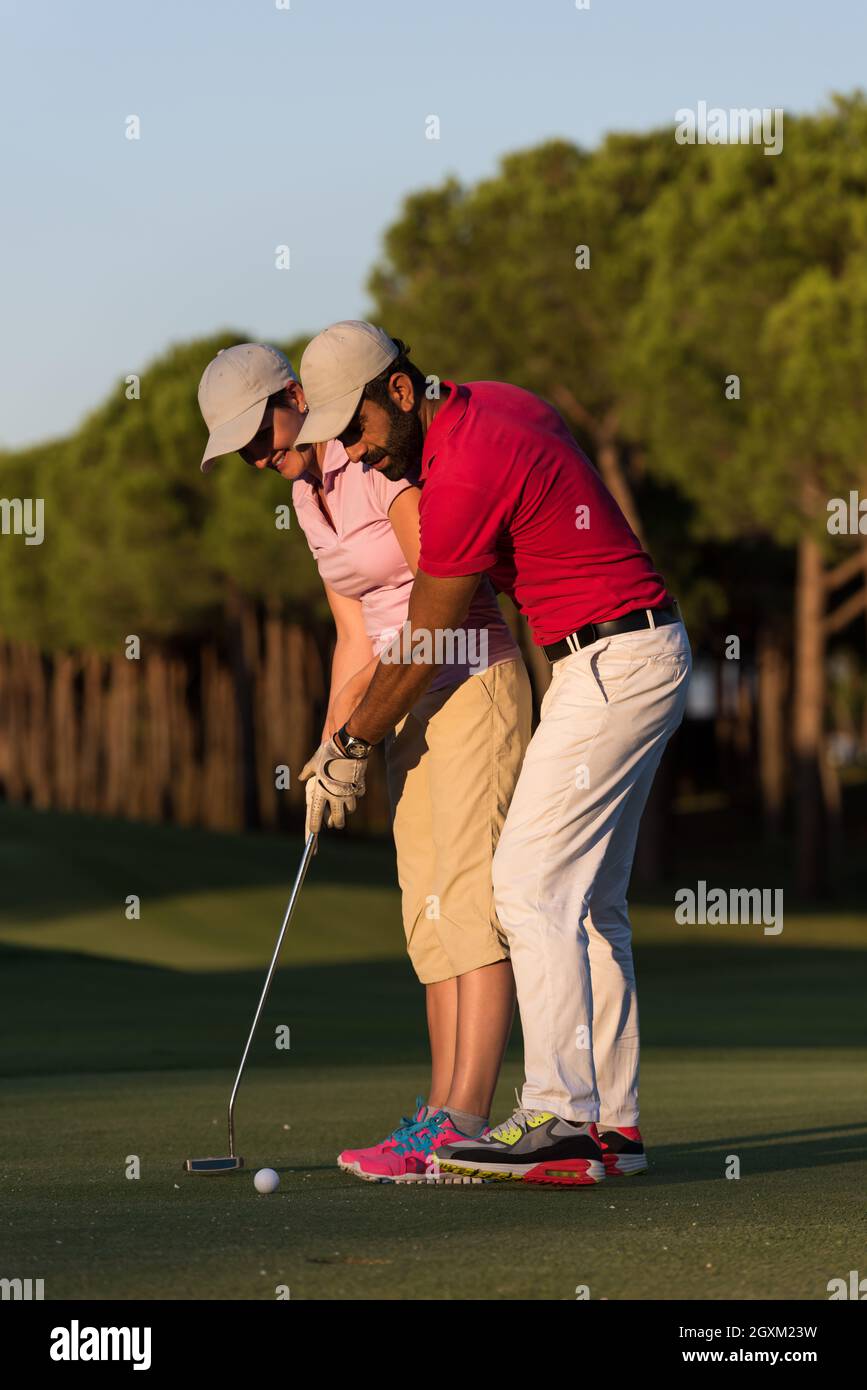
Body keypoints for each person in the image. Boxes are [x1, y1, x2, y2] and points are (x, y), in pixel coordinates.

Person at [296, 321, 692, 1186]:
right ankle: (612, 1128)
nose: (357, 456)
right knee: (590, 904)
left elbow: (430, 635)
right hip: (627, 651)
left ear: (400, 392)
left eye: (358, 430)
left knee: (523, 882)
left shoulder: (466, 465)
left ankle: (557, 1115)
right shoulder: (492, 407)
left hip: (613, 661)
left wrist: (353, 741)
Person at [196, 340, 532, 1182]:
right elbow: (353, 638)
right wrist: (328, 753)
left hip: (468, 685)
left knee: (468, 905)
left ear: (296, 395)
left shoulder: (374, 462)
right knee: (426, 912)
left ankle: (463, 1121)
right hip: (393, 709)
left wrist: (363, 733)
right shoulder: (307, 498)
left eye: (260, 431)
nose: (258, 454)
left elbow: (438, 597)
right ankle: (435, 1115)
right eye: (240, 449)